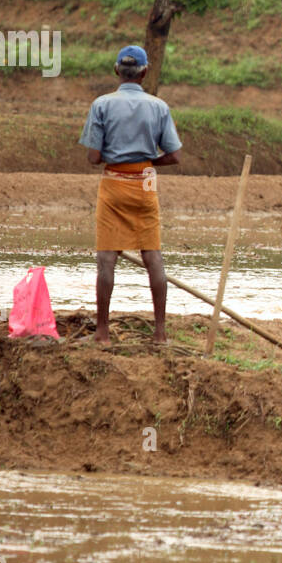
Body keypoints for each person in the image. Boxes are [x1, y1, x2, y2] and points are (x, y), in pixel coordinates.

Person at [78, 46, 182, 344]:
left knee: (106, 258)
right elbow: (174, 156)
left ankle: (102, 332)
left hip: (113, 184)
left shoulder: (101, 105)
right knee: (152, 254)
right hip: (145, 186)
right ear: (145, 72)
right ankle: (160, 334)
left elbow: (94, 158)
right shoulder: (159, 107)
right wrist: (149, 162)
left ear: (116, 71)